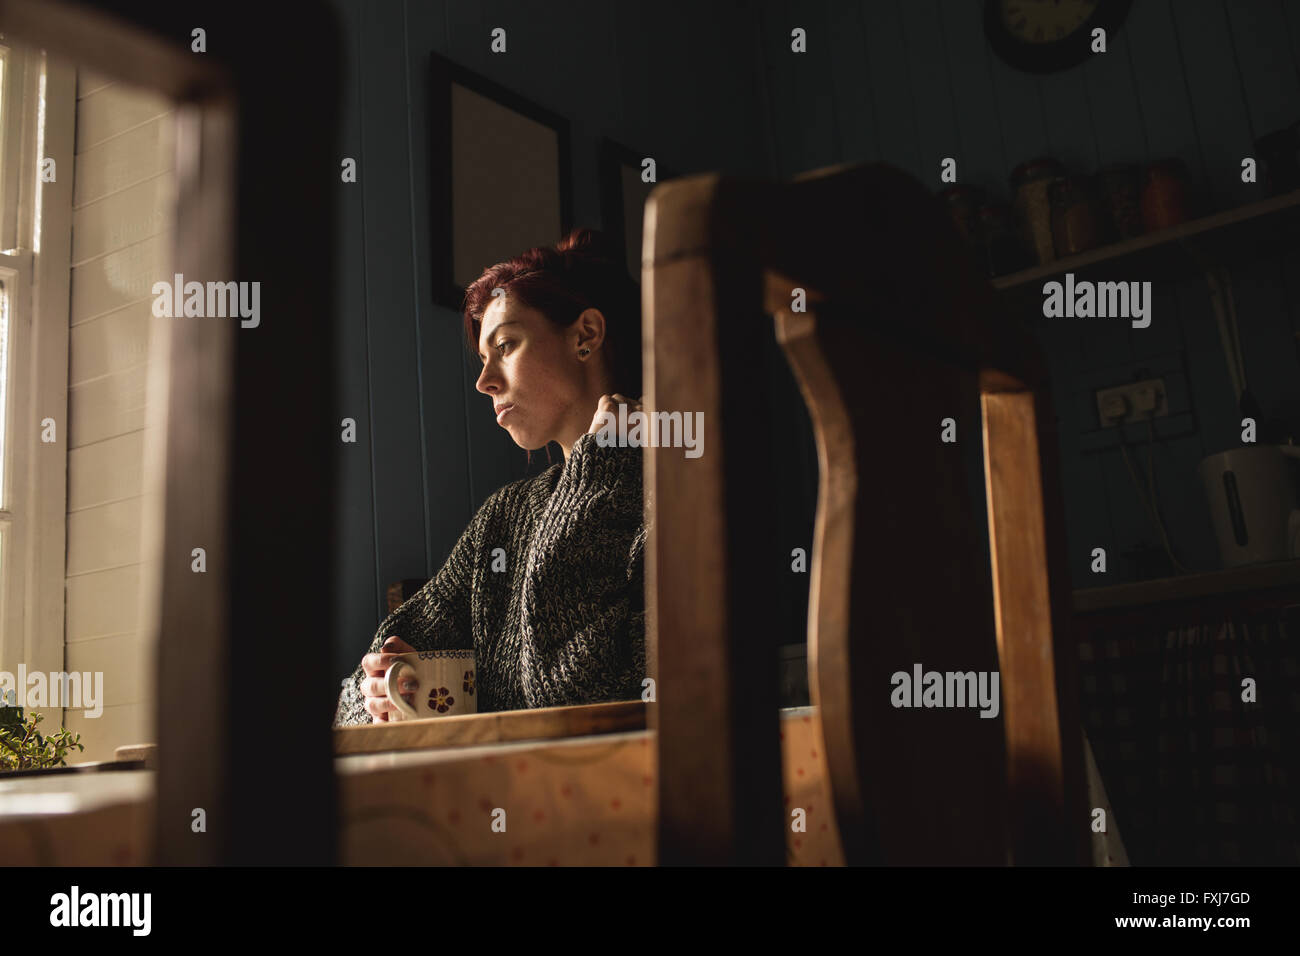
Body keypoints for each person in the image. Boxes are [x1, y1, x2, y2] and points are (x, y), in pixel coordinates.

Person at [333, 228, 647, 725]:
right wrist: (374, 696)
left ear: (585, 335)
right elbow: (359, 693)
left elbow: (576, 699)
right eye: (483, 359)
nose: (485, 382)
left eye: (506, 346)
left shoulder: (680, 494)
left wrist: (601, 464)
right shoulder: (503, 518)